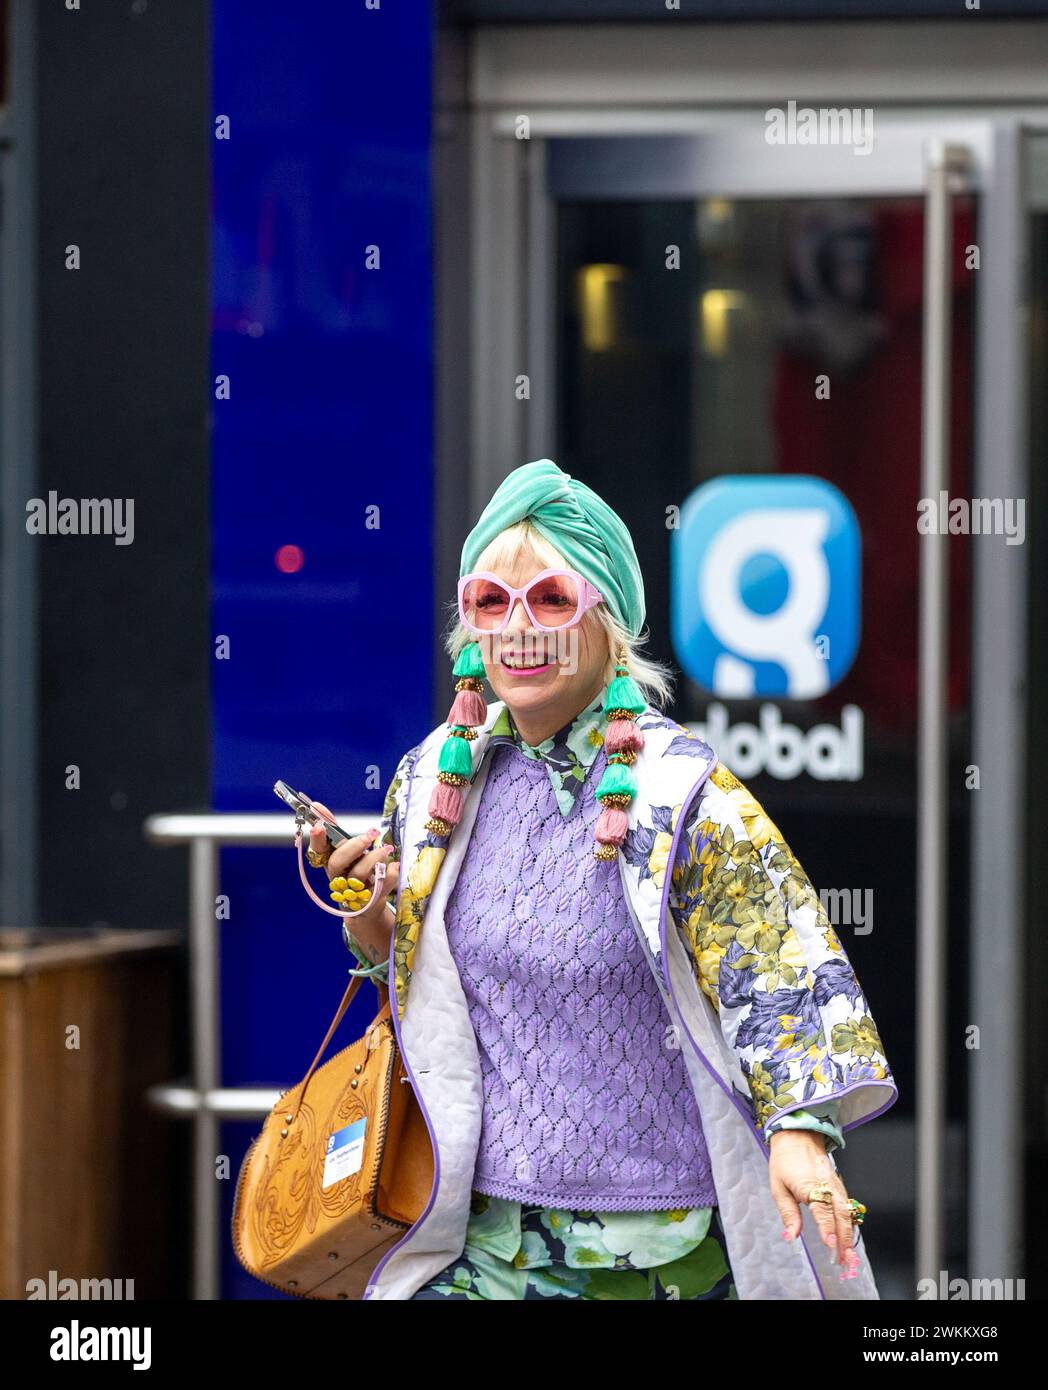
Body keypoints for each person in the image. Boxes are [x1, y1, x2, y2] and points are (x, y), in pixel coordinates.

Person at [308, 458, 897, 1301]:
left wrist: (799, 1129)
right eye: (491, 601)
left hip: (658, 1251)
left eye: (552, 598)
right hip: (479, 1236)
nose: (519, 627)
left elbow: (780, 967)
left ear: (608, 620)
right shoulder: (434, 777)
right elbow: (419, 992)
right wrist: (372, 922)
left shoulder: (680, 791)